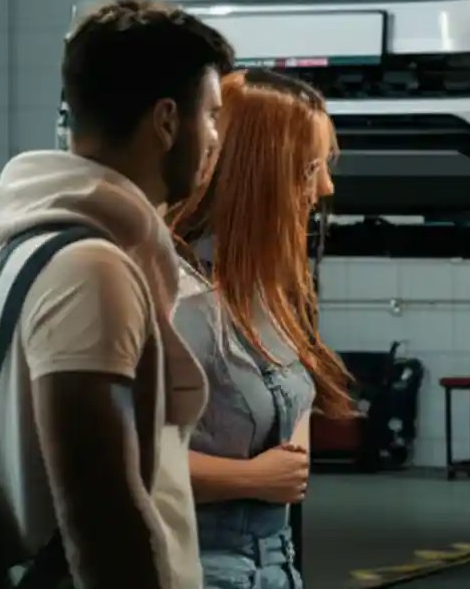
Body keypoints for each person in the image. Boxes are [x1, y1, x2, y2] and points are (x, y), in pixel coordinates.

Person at [0, 0, 234, 587]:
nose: (215, 138)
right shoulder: (91, 268)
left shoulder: (26, 240)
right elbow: (100, 517)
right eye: (212, 115)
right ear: (167, 121)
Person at [167, 68, 355, 589]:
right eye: (310, 169)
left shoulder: (262, 293)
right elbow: (116, 464)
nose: (325, 188)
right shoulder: (178, 300)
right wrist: (247, 478)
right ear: (260, 176)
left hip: (273, 564)